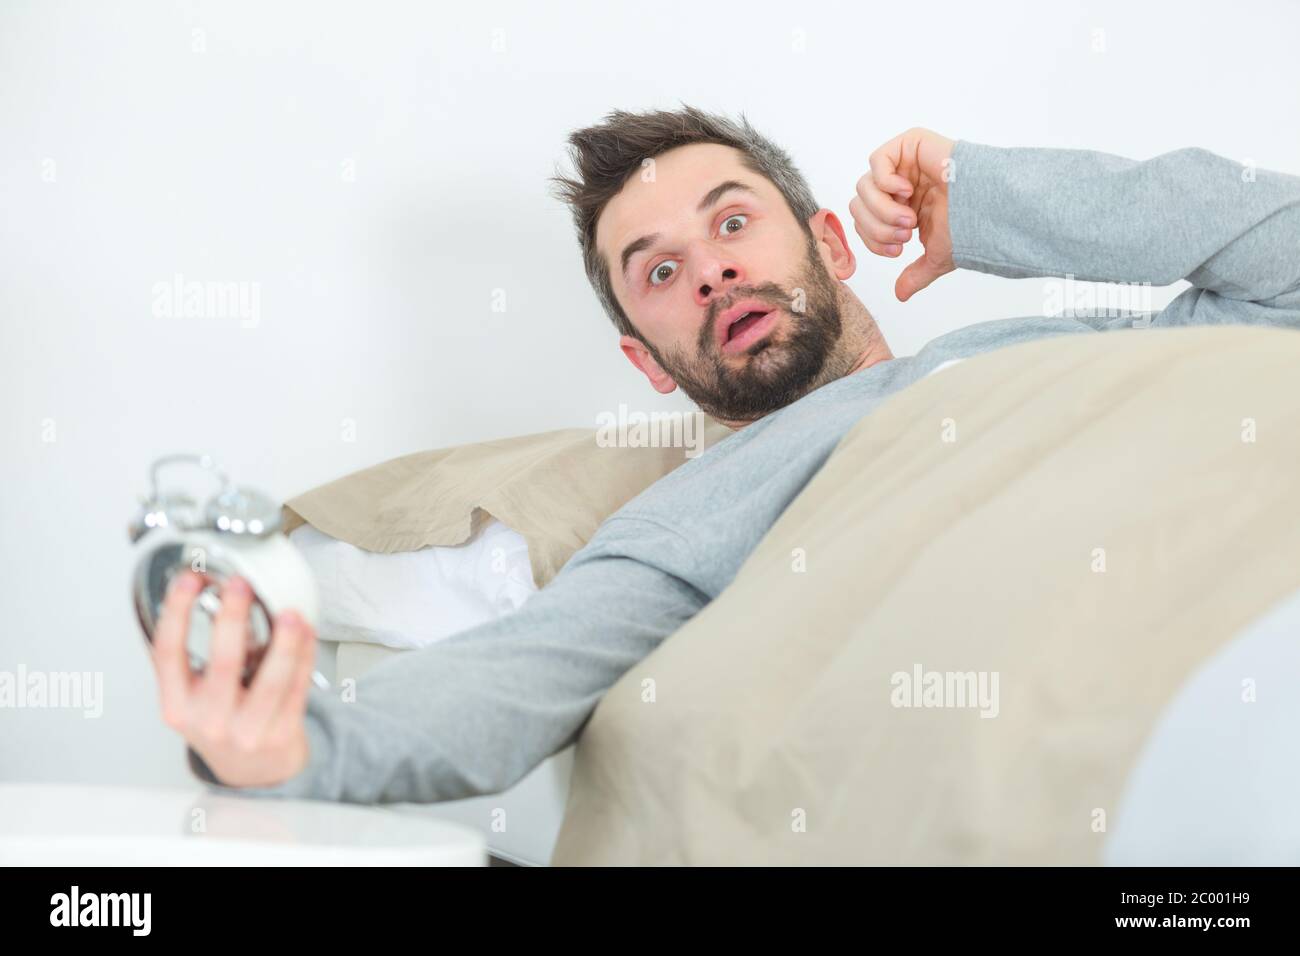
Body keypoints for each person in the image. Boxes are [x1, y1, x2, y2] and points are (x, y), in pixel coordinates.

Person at [154, 106, 1300, 802]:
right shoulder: (697, 514)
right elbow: (528, 668)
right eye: (657, 270)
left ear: (831, 242)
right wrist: (298, 745)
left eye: (733, 220)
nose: (708, 269)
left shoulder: (1043, 346)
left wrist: (996, 199)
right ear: (648, 361)